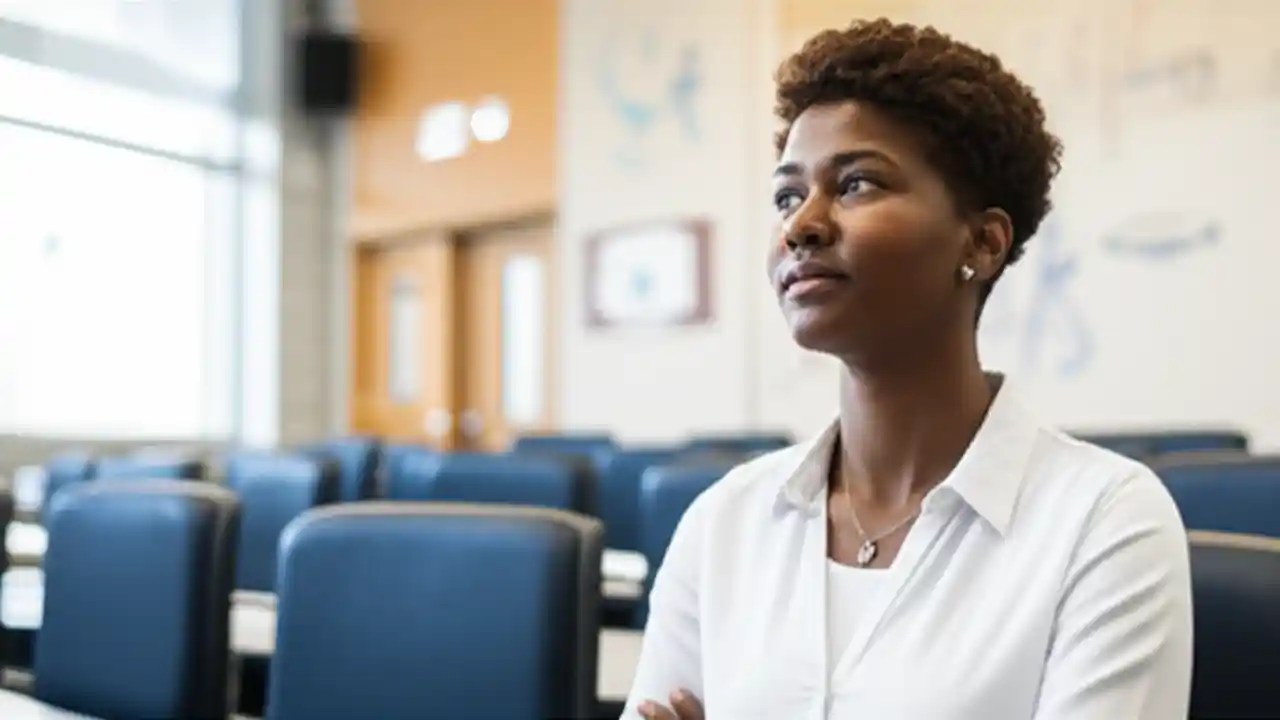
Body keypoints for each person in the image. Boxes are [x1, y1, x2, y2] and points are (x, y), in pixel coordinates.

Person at [625, 18, 1192, 720]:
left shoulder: (1103, 522)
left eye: (857, 184)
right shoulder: (723, 522)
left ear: (982, 244)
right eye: (786, 196)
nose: (801, 224)